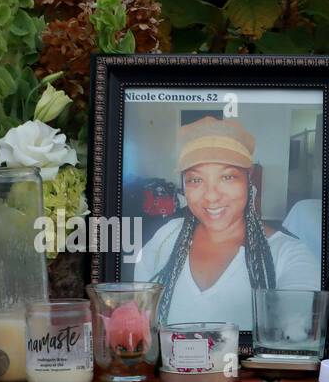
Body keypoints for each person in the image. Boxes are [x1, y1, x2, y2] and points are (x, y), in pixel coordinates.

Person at [134, 117, 318, 328]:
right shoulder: (166, 236)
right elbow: (139, 321)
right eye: (196, 180)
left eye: (227, 177)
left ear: (249, 179)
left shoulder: (289, 256)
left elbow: (294, 336)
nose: (211, 196)